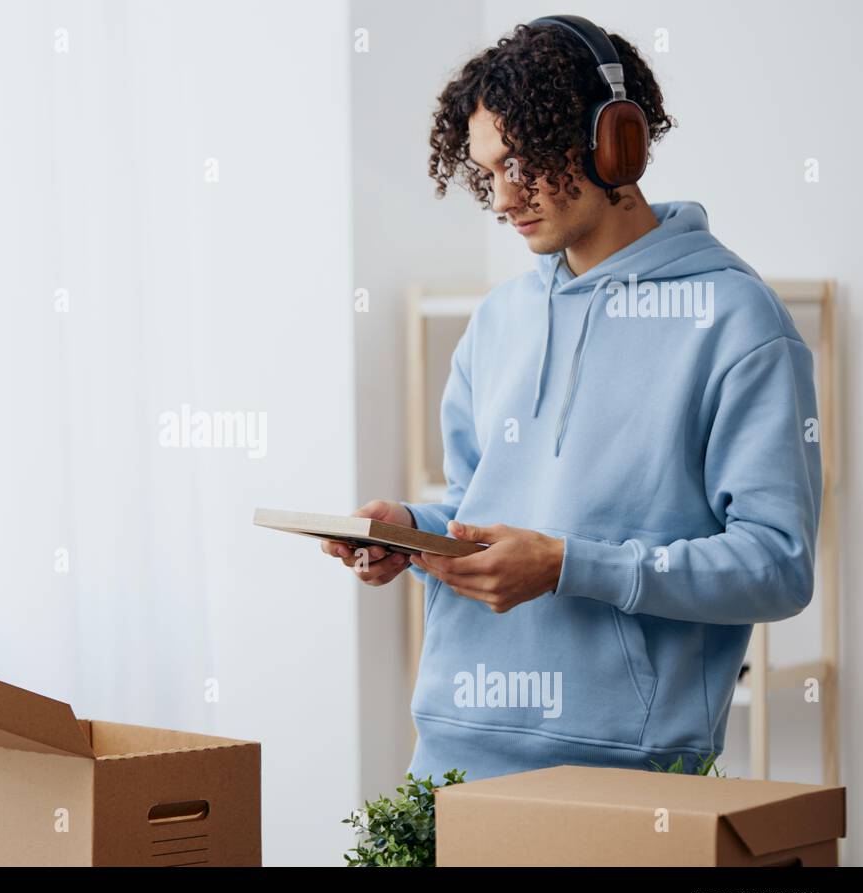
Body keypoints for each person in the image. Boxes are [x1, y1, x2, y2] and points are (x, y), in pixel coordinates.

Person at [322, 16, 822, 781]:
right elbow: (480, 515)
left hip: (623, 778)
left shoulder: (736, 322)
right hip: (451, 758)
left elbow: (776, 565)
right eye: (488, 172)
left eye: (521, 162)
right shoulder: (498, 321)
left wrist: (569, 567)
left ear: (611, 143)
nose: (503, 197)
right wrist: (414, 535)